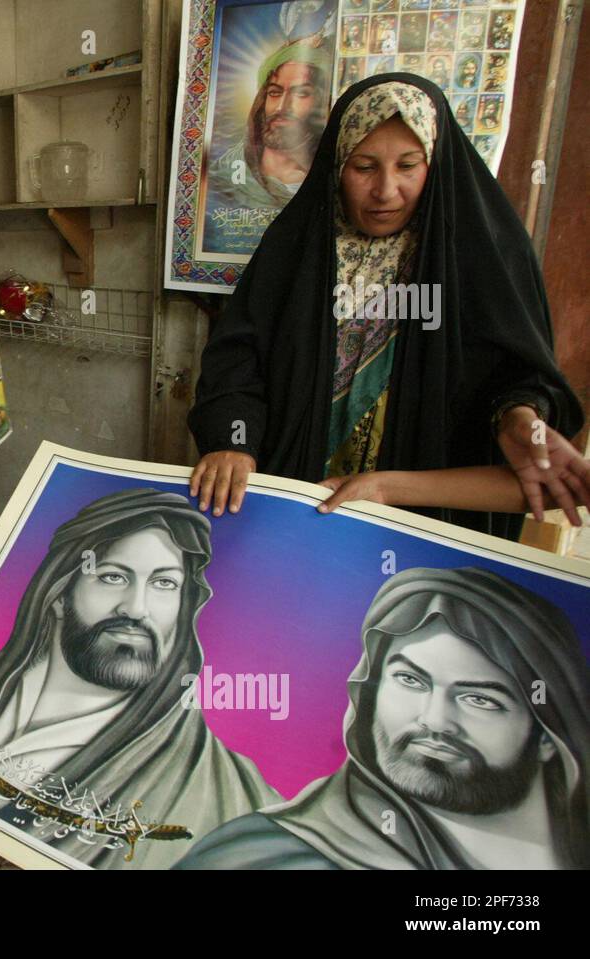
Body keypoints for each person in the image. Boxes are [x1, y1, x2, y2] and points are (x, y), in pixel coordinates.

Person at [188, 75, 585, 540]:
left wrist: (519, 421)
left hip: (429, 517)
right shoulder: (293, 249)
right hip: (296, 501)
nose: (385, 190)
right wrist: (234, 442)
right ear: (336, 166)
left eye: (408, 166)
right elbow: (238, 360)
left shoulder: (483, 255)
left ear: (433, 164)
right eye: (364, 167)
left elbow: (517, 376)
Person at [0, 489, 278, 868]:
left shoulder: (233, 796)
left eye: (164, 583)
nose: (137, 608)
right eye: (113, 576)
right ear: (59, 593)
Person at [176, 568, 589, 869]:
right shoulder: (267, 858)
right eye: (410, 680)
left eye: (479, 699)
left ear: (549, 734)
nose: (435, 720)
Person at [208, 37, 331, 209]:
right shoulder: (224, 176)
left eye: (301, 94)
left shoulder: (330, 183)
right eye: (274, 92)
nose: (281, 107)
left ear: (322, 103)